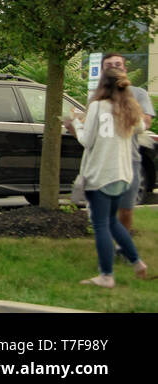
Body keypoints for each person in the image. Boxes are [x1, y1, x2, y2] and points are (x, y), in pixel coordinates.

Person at [74, 57, 148, 287]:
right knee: (113, 222)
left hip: (100, 175)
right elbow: (142, 127)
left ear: (103, 85)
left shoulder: (97, 106)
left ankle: (106, 275)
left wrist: (76, 124)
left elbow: (87, 140)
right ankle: (136, 262)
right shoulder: (129, 109)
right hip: (122, 176)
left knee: (101, 225)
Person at [110, 55, 154, 234]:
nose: (115, 67)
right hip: (104, 161)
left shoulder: (138, 94)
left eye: (118, 64)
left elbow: (146, 123)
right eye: (110, 65)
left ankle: (122, 246)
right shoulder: (98, 98)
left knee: (126, 209)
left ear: (125, 69)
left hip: (130, 160)